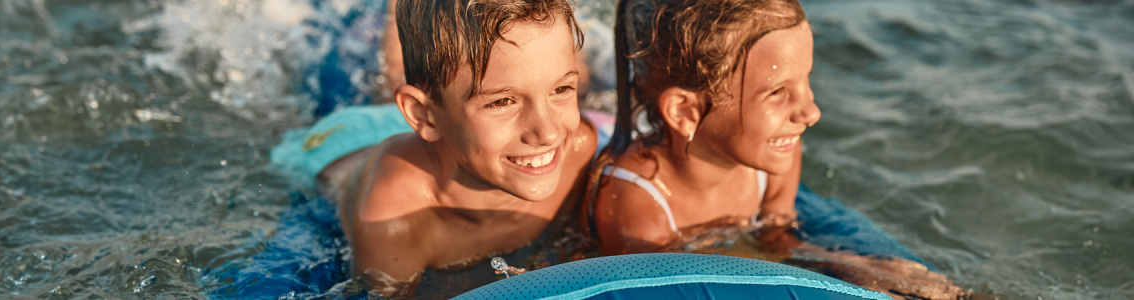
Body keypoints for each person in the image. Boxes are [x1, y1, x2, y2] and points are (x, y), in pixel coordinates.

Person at [583, 0, 969, 298]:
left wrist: (849, 264)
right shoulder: (637, 203)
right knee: (594, 84)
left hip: (679, 125)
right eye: (778, 92)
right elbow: (674, 288)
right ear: (685, 110)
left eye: (805, 81)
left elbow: (777, 238)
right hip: (639, 132)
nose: (811, 112)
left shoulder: (778, 160)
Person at [316, 0, 597, 297]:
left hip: (451, 128)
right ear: (422, 115)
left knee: (430, 77)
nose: (548, 133)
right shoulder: (395, 221)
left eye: (562, 89)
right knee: (399, 80)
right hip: (343, 142)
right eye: (501, 101)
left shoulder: (576, 151)